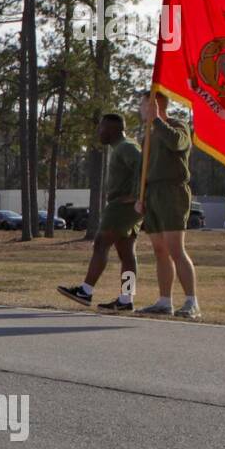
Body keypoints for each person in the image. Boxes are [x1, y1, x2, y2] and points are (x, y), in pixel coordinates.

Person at [57, 113, 142, 312]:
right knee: (127, 253)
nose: (99, 132)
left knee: (101, 244)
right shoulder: (123, 147)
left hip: (122, 206)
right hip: (129, 207)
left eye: (101, 128)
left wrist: (136, 196)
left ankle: (85, 291)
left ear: (112, 129)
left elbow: (142, 167)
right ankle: (126, 298)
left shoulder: (126, 147)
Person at [135, 91, 200, 319]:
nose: (141, 109)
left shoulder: (176, 126)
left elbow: (177, 144)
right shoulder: (148, 135)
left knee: (175, 248)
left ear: (155, 106)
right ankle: (164, 301)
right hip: (152, 193)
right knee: (159, 250)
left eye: (144, 105)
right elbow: (143, 169)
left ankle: (191, 302)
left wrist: (159, 121)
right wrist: (140, 197)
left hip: (173, 191)